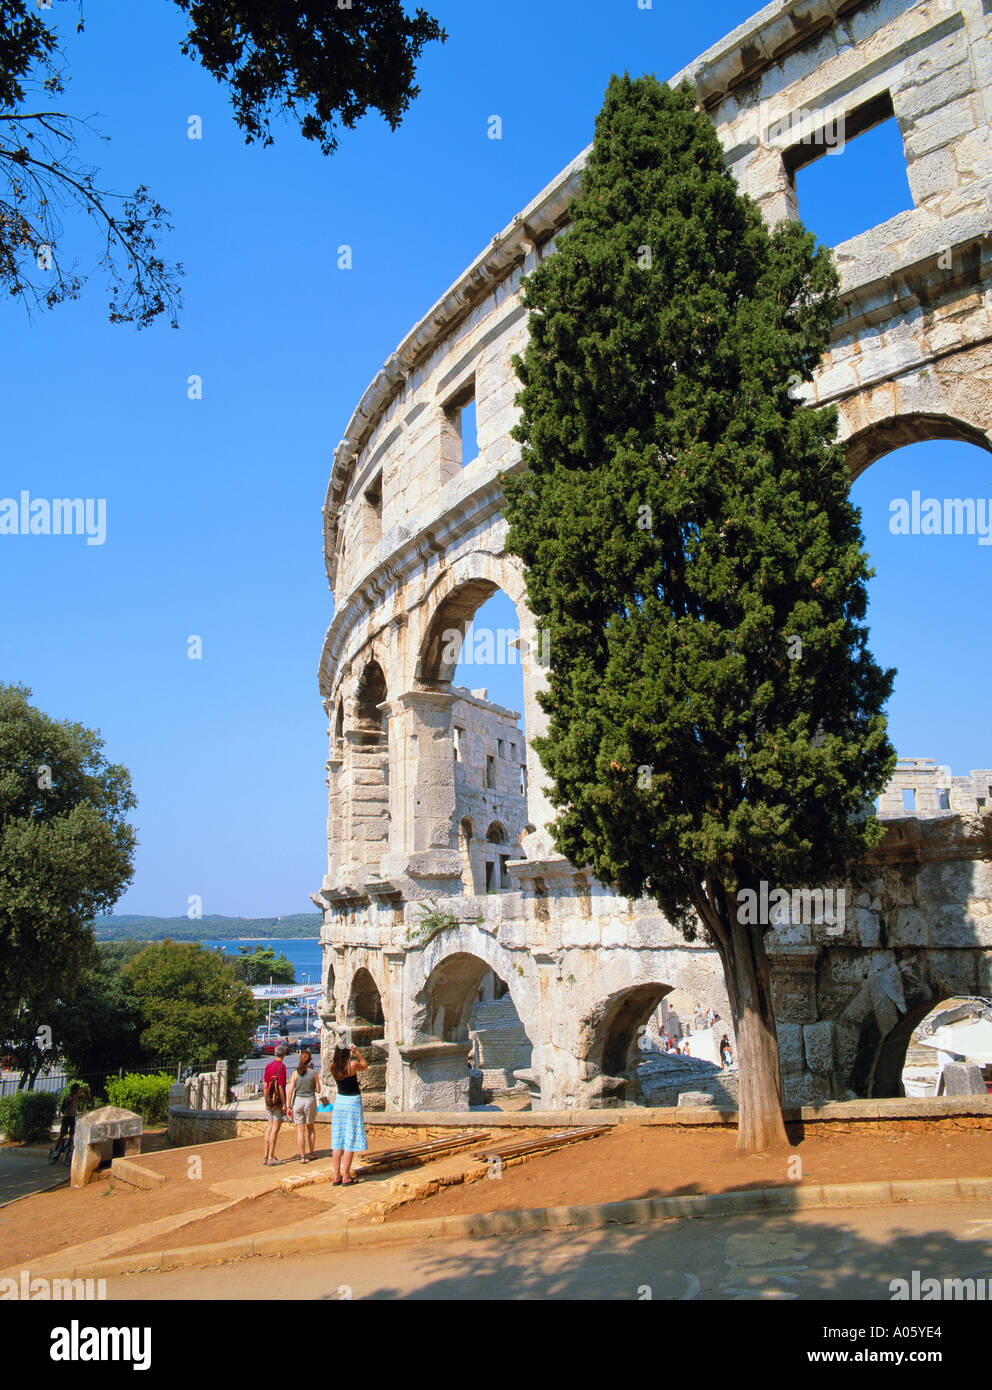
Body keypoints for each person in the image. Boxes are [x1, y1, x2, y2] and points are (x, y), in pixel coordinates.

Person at [330, 1041, 368, 1186]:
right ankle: (346, 1176)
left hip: (340, 1101)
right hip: (352, 1101)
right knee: (350, 1138)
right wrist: (357, 1052)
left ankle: (336, 1176)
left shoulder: (332, 1066)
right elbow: (364, 1065)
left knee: (337, 1139)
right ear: (347, 1052)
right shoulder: (351, 1065)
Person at [287, 1048, 319, 1163]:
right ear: (310, 1060)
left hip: (298, 1101)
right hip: (309, 1100)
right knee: (311, 1128)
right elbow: (318, 1090)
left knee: (300, 1130)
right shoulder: (313, 1073)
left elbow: (290, 1090)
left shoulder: (295, 1073)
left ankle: (302, 1156)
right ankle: (311, 1153)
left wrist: (289, 1105)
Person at [262, 1044, 288, 1166]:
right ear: (283, 1055)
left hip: (269, 1101)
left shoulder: (268, 1066)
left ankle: (266, 1155)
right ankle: (271, 1157)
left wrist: (266, 1099)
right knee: (275, 1130)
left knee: (269, 1127)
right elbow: (280, 1087)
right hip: (276, 1102)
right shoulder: (281, 1067)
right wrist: (284, 1103)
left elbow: (266, 1085)